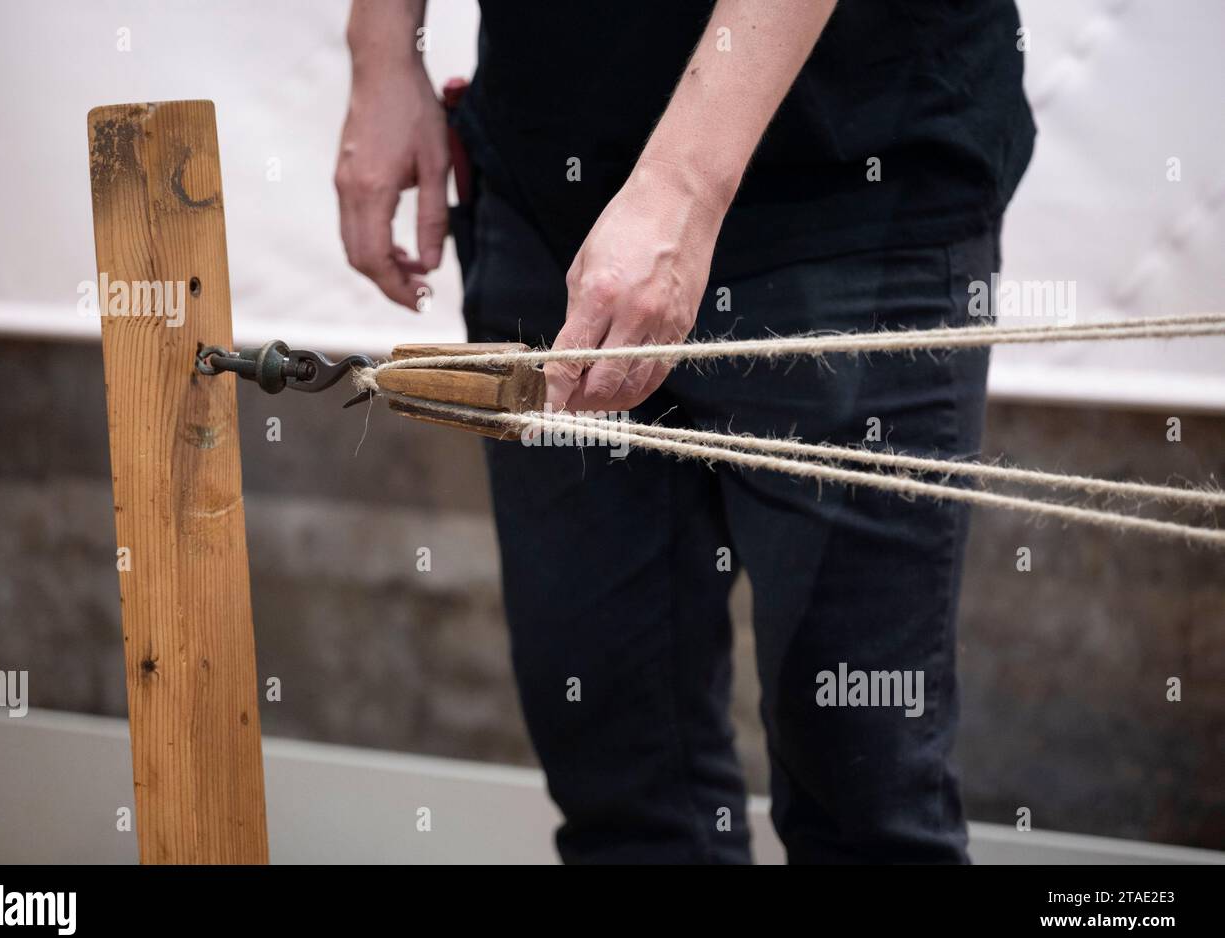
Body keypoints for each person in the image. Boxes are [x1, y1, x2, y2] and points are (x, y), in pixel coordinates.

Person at [335, 0, 1034, 864]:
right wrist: (380, 49)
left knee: (864, 795)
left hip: (856, 186)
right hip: (548, 189)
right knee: (622, 788)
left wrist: (682, 188)